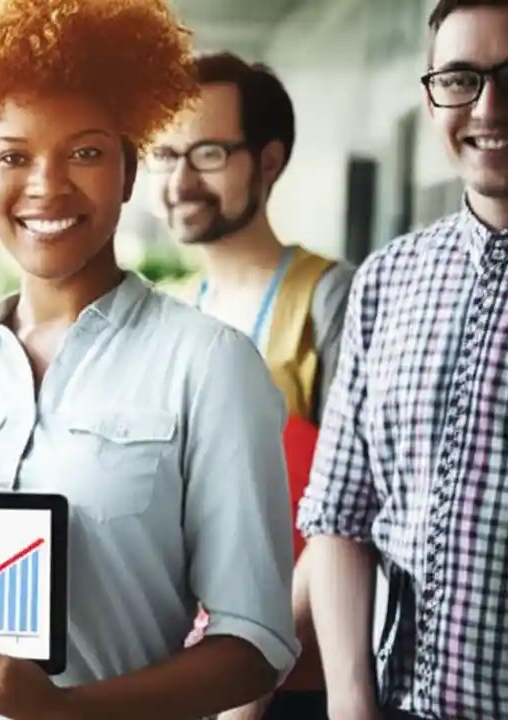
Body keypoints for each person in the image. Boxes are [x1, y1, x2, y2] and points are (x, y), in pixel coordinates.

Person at [0, 1, 299, 718]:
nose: (46, 185)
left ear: (128, 171)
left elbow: (257, 646)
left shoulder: (209, 364)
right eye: (13, 155)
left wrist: (67, 713)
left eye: (85, 153)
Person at [297, 2, 508, 718]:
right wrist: (351, 703)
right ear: (431, 98)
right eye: (460, 79)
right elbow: (338, 518)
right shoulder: (386, 280)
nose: (489, 107)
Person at [147, 52, 355, 720]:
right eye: (165, 154)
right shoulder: (163, 309)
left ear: (268, 162)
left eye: (207, 153)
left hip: (293, 684)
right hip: (176, 676)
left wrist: (248, 684)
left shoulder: (331, 300)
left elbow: (349, 515)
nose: (180, 180)